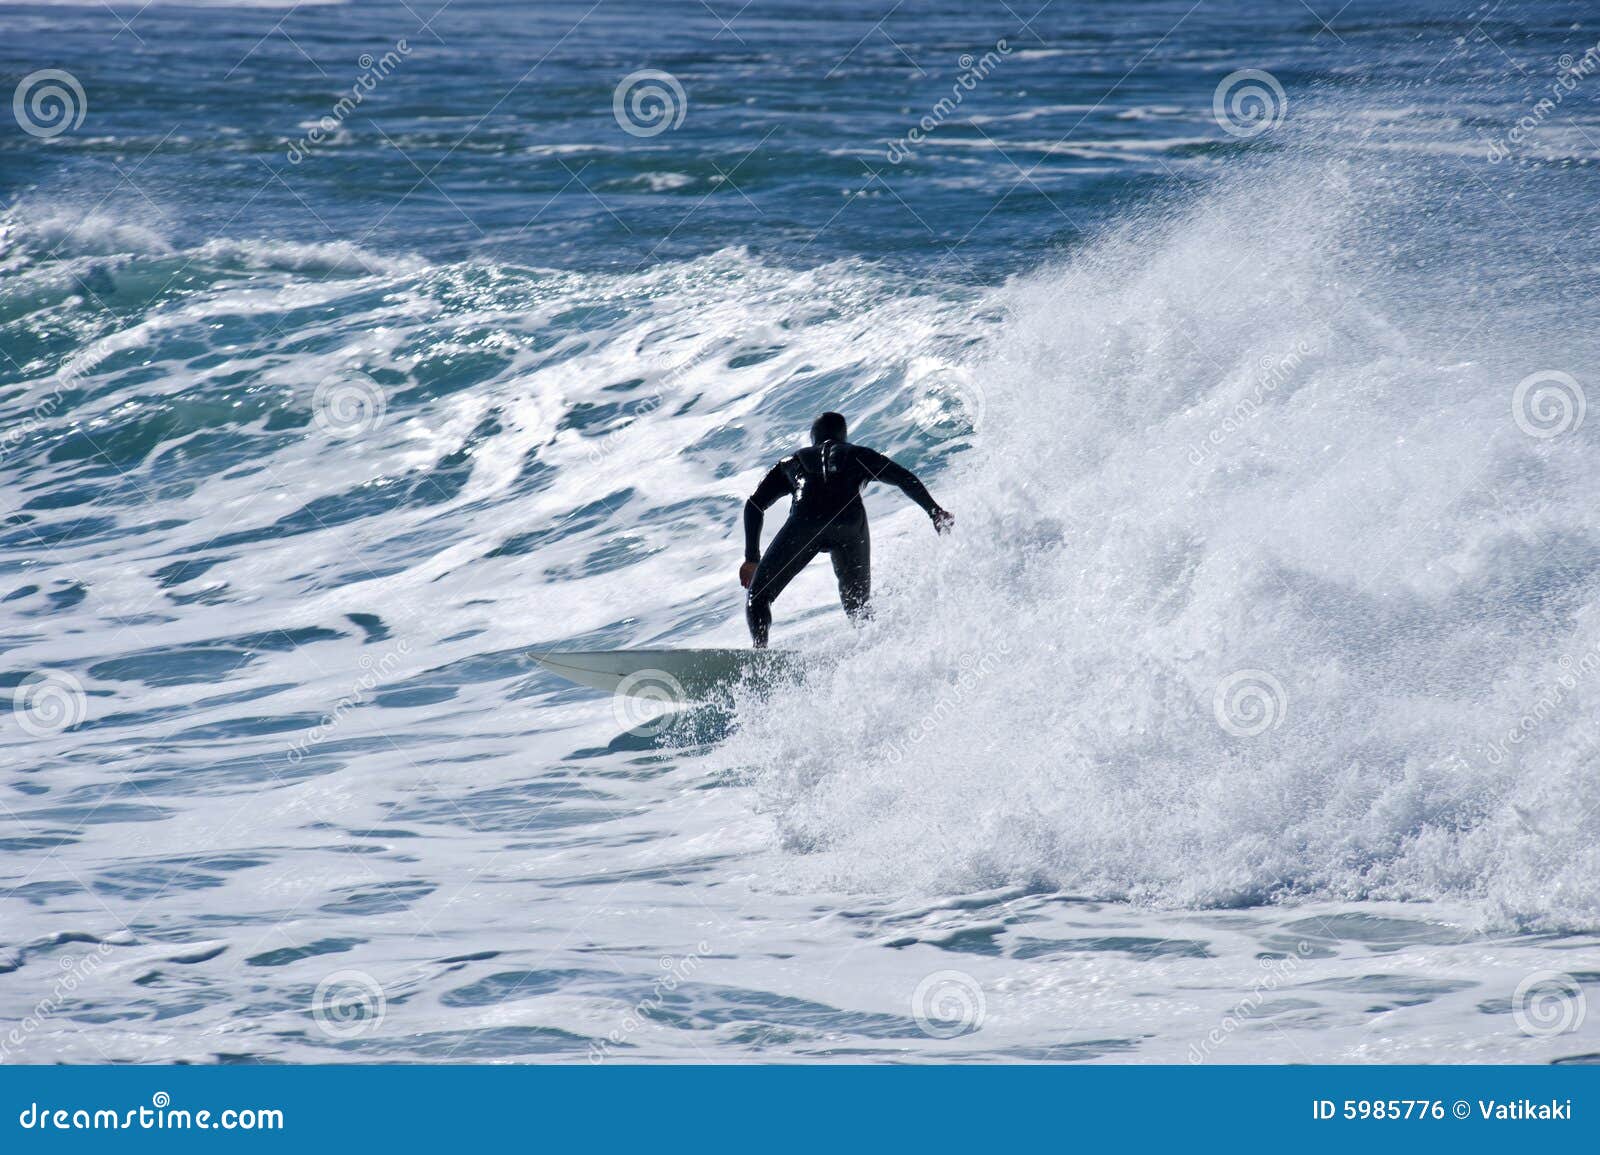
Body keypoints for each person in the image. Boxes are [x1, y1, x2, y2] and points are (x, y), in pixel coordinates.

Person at [739, 411, 953, 648]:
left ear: (813, 437)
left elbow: (754, 504)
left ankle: (759, 653)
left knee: (758, 598)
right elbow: (904, 478)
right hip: (849, 525)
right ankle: (882, 652)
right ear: (844, 435)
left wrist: (751, 558)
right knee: (858, 607)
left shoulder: (793, 461)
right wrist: (934, 512)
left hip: (806, 522)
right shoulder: (858, 454)